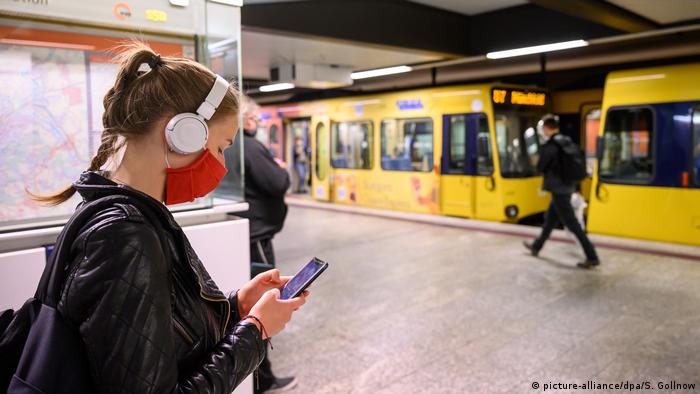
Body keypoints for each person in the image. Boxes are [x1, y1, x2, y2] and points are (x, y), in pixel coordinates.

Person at [29, 43, 306, 393]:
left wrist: (235, 308)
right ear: (184, 133)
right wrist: (256, 331)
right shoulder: (124, 235)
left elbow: (157, 336)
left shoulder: (118, 212)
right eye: (221, 147)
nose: (220, 166)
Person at [237, 96, 296, 393]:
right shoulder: (249, 146)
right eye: (256, 120)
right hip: (256, 236)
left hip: (247, 231)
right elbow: (277, 182)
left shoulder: (234, 146)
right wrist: (280, 168)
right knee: (262, 300)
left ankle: (258, 377)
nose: (257, 125)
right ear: (247, 120)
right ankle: (263, 378)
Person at [523, 114, 600, 269]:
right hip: (567, 187)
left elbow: (540, 166)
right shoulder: (567, 142)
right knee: (550, 220)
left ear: (546, 129)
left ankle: (592, 256)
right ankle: (537, 247)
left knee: (573, 224)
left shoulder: (551, 146)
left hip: (559, 191)